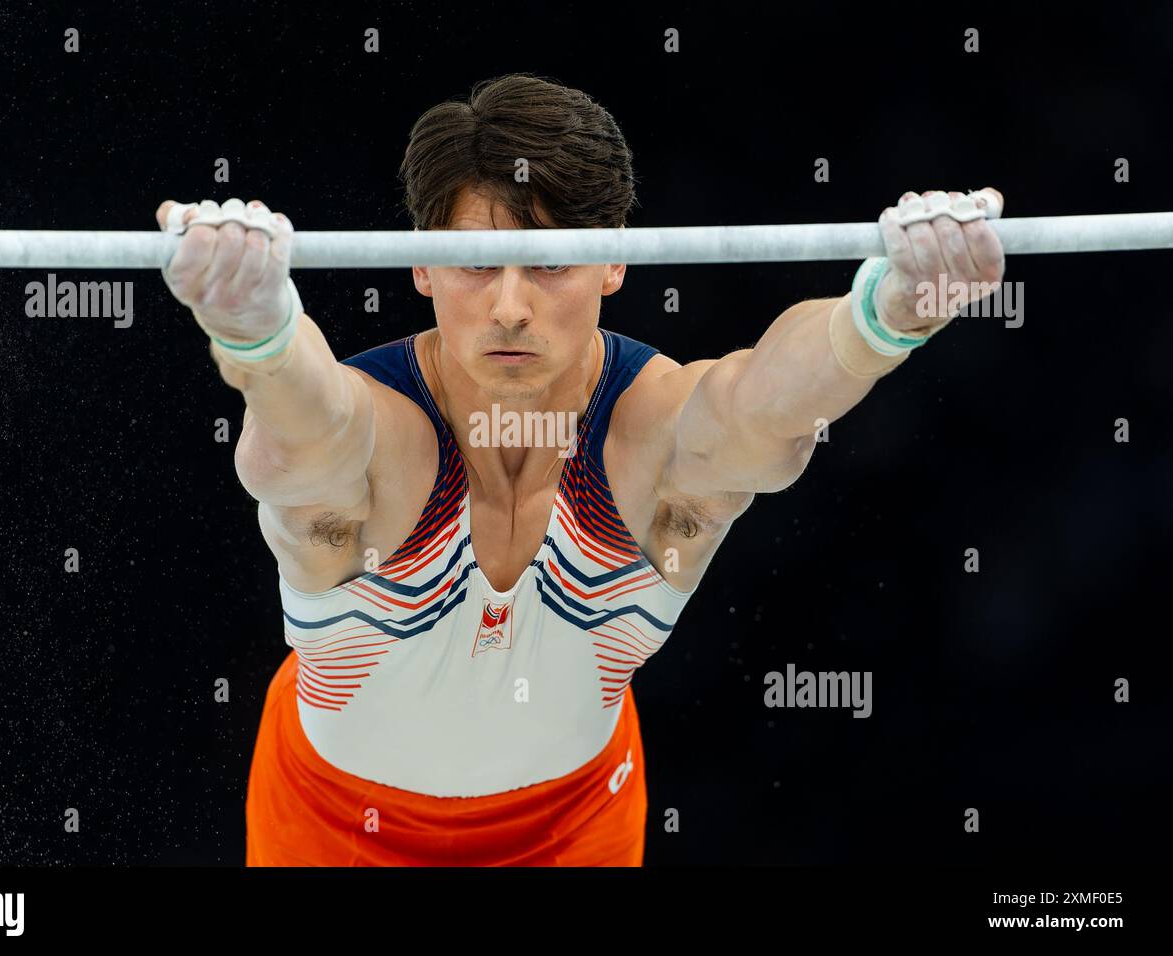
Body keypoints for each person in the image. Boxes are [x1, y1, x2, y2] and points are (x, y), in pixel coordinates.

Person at [155, 73, 1004, 866]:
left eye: (552, 262)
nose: (512, 305)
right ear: (419, 263)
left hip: (573, 825)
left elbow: (765, 403)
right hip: (333, 823)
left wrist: (887, 311)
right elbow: (305, 429)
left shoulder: (655, 439)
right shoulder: (383, 439)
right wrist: (257, 326)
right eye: (476, 265)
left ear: (613, 259)